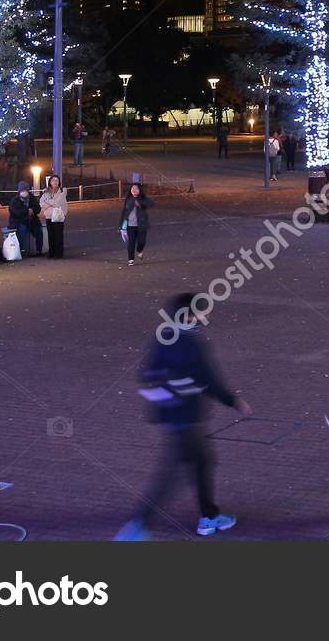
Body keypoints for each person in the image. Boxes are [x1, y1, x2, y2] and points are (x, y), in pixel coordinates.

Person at [115, 293, 251, 540]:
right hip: (187, 415)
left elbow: (147, 372)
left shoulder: (164, 336)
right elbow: (208, 378)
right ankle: (138, 525)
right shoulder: (192, 342)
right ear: (190, 315)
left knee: (202, 463)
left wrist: (168, 389)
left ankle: (208, 516)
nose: (206, 315)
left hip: (171, 413)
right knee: (171, 473)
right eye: (202, 311)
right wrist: (234, 401)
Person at [120, 182, 152, 265]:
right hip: (130, 226)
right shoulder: (128, 199)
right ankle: (131, 259)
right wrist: (122, 225)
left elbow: (150, 203)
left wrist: (140, 203)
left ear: (139, 190)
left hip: (141, 225)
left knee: (141, 242)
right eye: (132, 188)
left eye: (136, 188)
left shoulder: (142, 198)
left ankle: (139, 250)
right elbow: (124, 212)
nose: (134, 190)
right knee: (131, 243)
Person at [8, 181, 43, 256]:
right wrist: (27, 211)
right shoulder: (15, 200)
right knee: (22, 230)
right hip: (19, 221)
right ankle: (21, 250)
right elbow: (14, 212)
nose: (24, 192)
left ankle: (39, 250)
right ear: (19, 191)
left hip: (32, 221)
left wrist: (32, 210)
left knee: (39, 230)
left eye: (26, 190)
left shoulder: (32, 198)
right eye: (22, 190)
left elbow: (38, 208)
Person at [40, 175, 69, 259]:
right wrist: (49, 203)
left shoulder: (62, 191)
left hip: (58, 216)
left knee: (58, 235)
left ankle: (59, 253)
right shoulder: (46, 192)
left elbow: (58, 203)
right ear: (50, 182)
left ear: (59, 182)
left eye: (57, 180)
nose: (55, 182)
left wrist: (47, 202)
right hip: (48, 216)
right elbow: (41, 203)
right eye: (53, 180)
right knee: (51, 235)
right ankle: (51, 252)